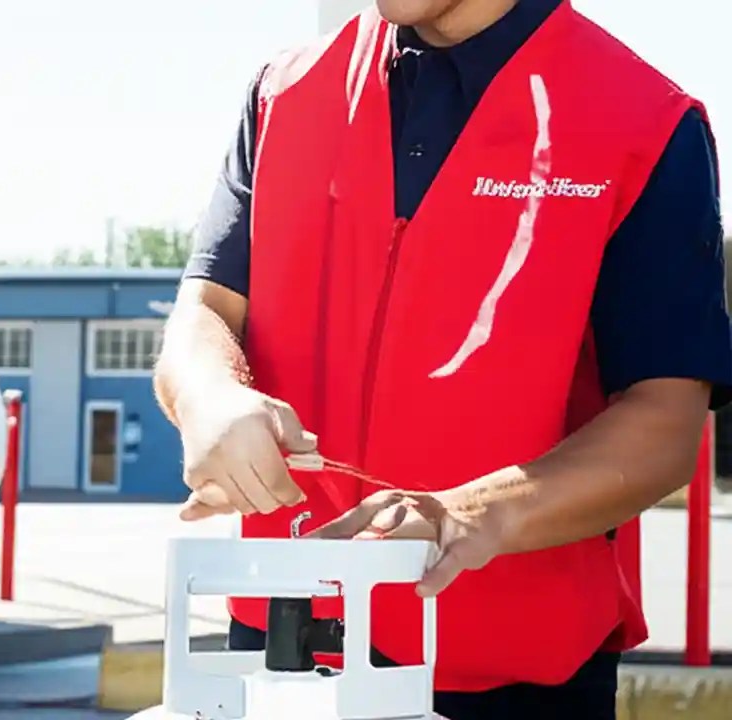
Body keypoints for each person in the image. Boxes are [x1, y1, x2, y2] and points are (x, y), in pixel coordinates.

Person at [152, 1, 731, 718]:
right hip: (276, 656)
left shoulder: (643, 122)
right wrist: (212, 398)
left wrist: (465, 515)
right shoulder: (285, 91)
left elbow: (664, 426)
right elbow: (205, 310)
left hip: (516, 685)